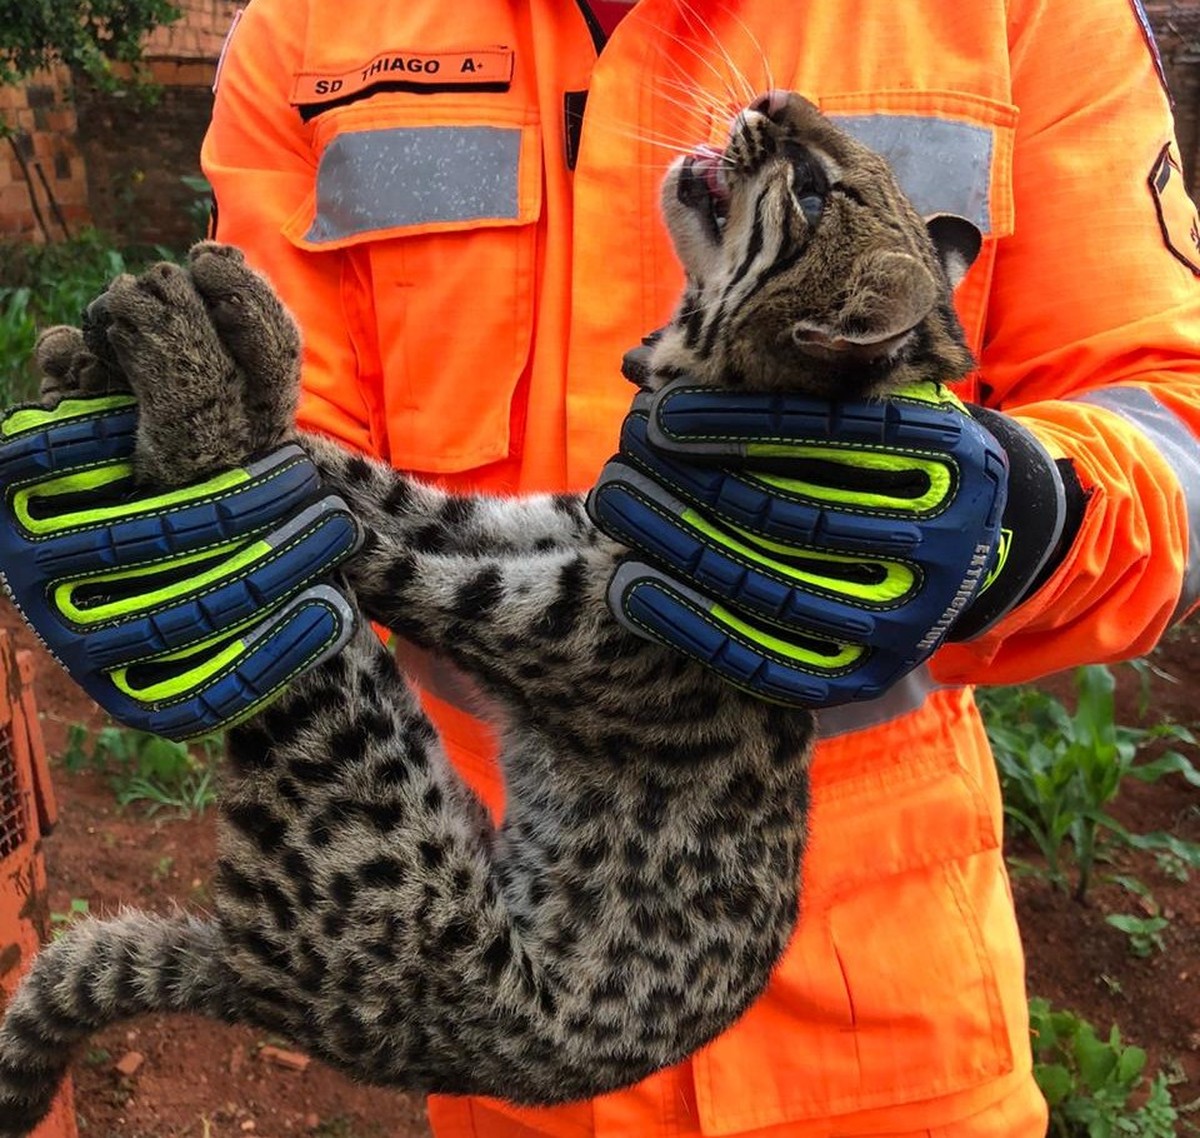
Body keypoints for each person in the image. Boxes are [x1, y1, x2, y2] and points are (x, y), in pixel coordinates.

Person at [6, 1, 1200, 1135]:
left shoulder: (1025, 15)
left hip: (883, 1035)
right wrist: (182, 503)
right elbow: (294, 452)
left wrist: (1032, 513)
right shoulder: (314, 29)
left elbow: (1173, 423)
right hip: (494, 980)